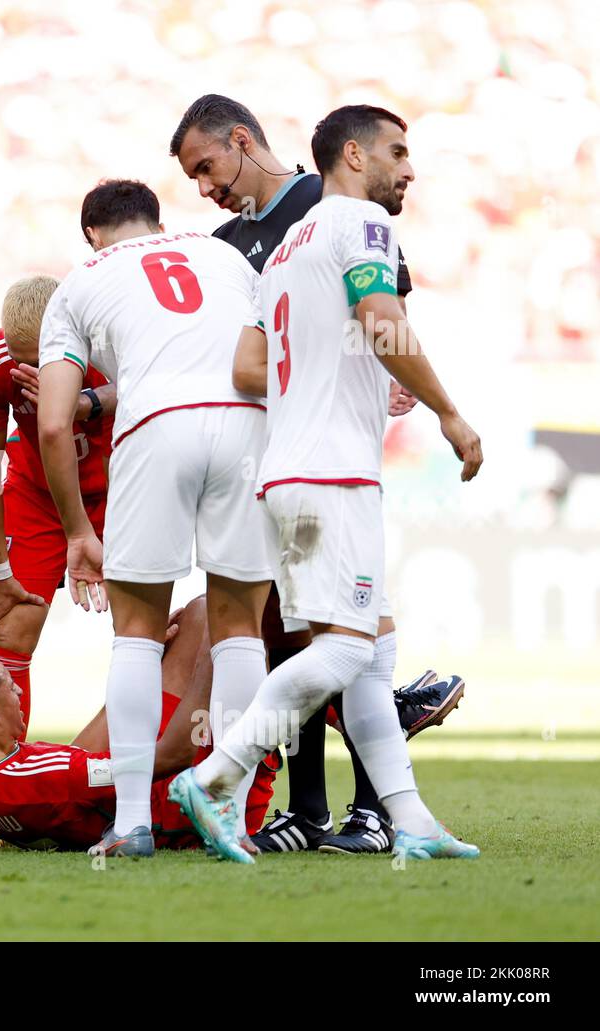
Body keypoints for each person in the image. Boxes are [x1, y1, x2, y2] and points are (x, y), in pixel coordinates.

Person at [170, 105, 484, 863]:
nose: (408, 168)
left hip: (285, 471)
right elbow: (380, 318)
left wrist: (324, 375)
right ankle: (215, 775)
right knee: (344, 654)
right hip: (333, 472)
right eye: (397, 152)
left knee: (371, 651)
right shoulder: (360, 223)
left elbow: (250, 367)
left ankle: (408, 818)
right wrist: (448, 411)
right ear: (353, 154)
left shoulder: (279, 254)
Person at [36, 179, 275, 857]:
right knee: (238, 634)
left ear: (92, 235)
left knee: (137, 636)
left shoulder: (79, 284)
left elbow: (55, 423)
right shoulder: (223, 255)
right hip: (245, 426)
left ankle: (133, 821)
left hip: (154, 430)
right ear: (156, 220)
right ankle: (231, 815)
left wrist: (79, 530)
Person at [0, 600, 278, 853]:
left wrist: (147, 668)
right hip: (189, 801)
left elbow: (74, 767)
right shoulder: (40, 779)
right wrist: (210, 658)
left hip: (153, 781)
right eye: (10, 685)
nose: (18, 690)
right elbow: (174, 755)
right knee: (222, 619)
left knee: (203, 618)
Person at [0, 275, 115, 845]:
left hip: (123, 487)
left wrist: (90, 402)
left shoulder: (111, 335)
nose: (27, 373)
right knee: (12, 632)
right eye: (19, 360)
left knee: (144, 632)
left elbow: (161, 383)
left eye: (41, 363)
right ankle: (12, 789)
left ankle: (132, 788)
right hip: (37, 493)